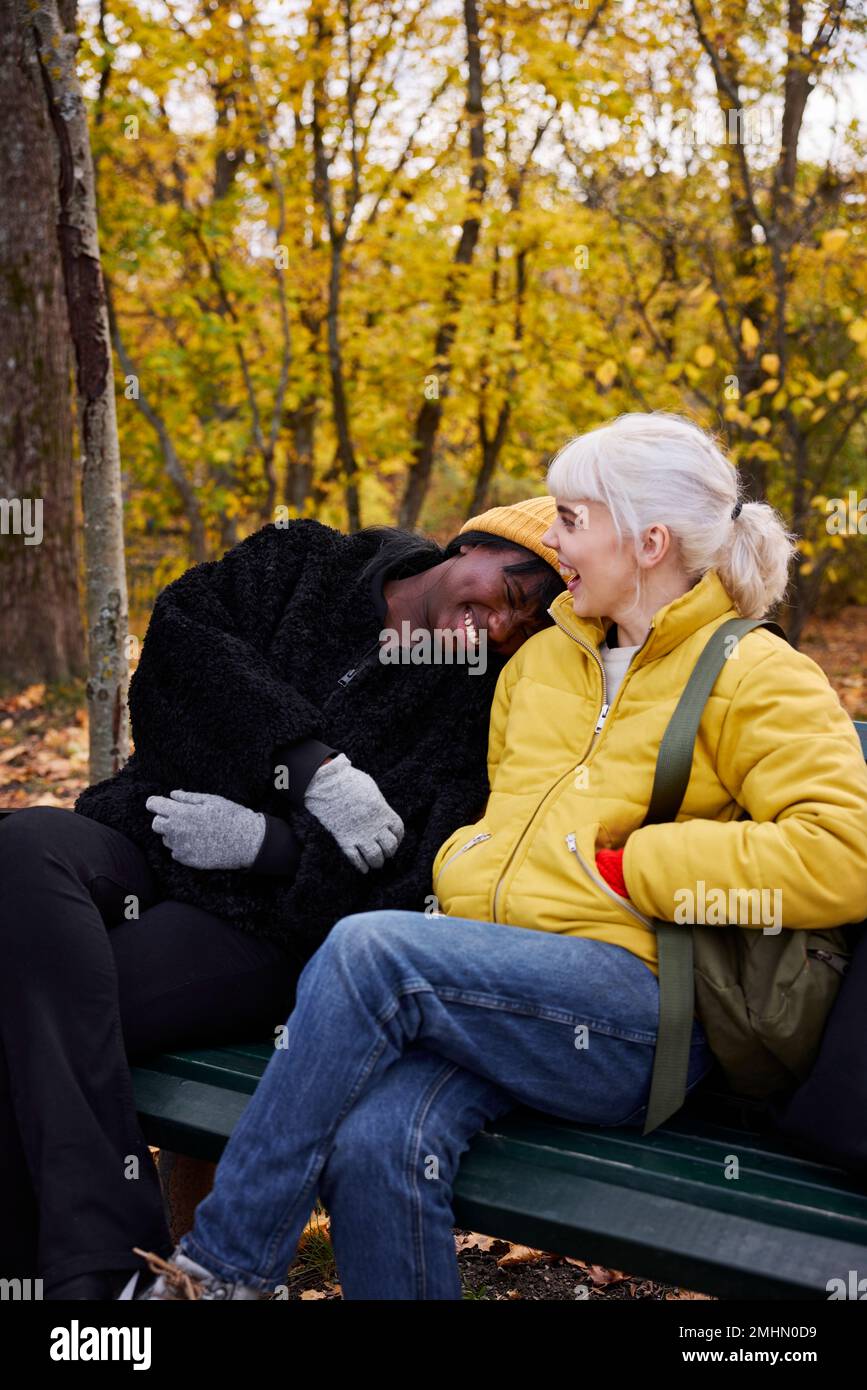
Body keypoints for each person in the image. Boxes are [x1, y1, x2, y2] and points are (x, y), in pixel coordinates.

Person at [135, 411, 867, 1301]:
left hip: (639, 1012)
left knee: (375, 951)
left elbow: (840, 855)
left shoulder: (755, 673)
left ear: (647, 540)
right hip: (498, 994)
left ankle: (220, 1274)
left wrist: (634, 868)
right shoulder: (542, 665)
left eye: (569, 518)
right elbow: (490, 816)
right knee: (377, 1146)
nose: (551, 543)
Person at [0, 498, 564, 1300]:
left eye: (525, 628)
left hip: (258, 925)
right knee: (23, 845)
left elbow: (415, 866)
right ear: (473, 544)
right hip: (150, 830)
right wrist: (311, 769)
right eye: (510, 595)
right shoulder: (303, 562)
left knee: (30, 997)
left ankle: (86, 1281)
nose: (500, 629)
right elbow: (181, 653)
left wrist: (272, 847)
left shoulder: (478, 699)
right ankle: (106, 1268)